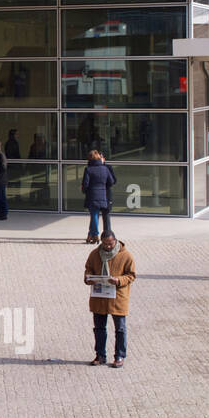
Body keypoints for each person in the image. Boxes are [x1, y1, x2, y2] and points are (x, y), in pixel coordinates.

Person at [84, 231, 136, 368]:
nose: (108, 247)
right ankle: (100, 355)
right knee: (99, 328)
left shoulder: (126, 256)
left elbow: (131, 275)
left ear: (116, 241)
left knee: (120, 328)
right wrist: (89, 278)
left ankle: (119, 355)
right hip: (99, 298)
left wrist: (118, 280)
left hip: (117, 299)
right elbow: (88, 269)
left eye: (110, 244)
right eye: (105, 244)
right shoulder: (94, 254)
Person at [80, 149, 116, 244]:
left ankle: (95, 234)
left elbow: (85, 184)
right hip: (103, 195)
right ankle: (91, 235)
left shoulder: (88, 169)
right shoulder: (105, 169)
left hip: (92, 195)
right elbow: (111, 181)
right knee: (95, 216)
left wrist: (83, 190)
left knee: (94, 215)